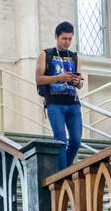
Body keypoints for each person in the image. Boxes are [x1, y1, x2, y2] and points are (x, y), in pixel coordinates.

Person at [36, 22, 84, 171]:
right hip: (54, 103)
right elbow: (39, 79)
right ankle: (63, 174)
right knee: (60, 140)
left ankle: (65, 169)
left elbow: (80, 84)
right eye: (64, 38)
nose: (67, 42)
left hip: (73, 103)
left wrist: (77, 81)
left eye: (70, 39)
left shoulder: (75, 57)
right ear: (56, 36)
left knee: (76, 141)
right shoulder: (46, 54)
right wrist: (59, 78)